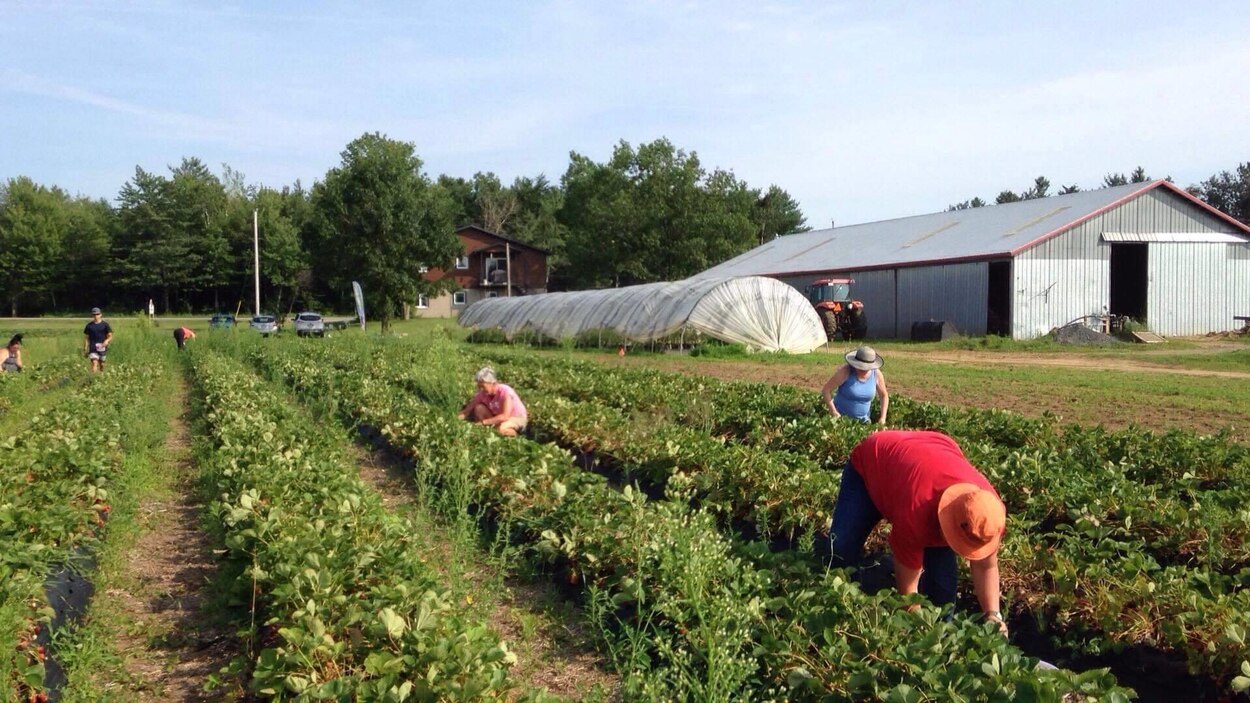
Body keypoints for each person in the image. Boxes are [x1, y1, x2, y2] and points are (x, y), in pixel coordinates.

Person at [828, 430, 1009, 635]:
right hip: (875, 459)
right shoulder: (916, 513)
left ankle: (944, 632)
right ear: (949, 520)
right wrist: (920, 632)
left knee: (943, 594)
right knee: (841, 546)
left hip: (932, 451)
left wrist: (993, 614)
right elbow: (909, 594)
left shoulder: (991, 513)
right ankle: (843, 608)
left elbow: (986, 566)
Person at [822, 345, 890, 424]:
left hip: (865, 421)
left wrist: (883, 417)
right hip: (841, 421)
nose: (862, 369)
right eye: (860, 366)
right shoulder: (845, 371)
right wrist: (833, 412)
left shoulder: (876, 374)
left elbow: (884, 396)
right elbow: (826, 390)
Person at [458, 367, 528, 437]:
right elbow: (467, 411)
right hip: (499, 418)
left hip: (516, 417)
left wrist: (483, 422)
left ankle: (516, 436)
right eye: (479, 386)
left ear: (493, 384)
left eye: (483, 386)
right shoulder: (482, 394)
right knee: (479, 408)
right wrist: (454, 419)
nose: (481, 389)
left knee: (501, 429)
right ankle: (490, 432)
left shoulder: (505, 392)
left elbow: (505, 416)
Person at [83, 307, 113, 372]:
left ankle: (101, 376)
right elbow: (86, 338)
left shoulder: (105, 325)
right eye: (94, 314)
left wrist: (106, 341)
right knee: (94, 363)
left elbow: (110, 336)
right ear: (92, 315)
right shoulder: (89, 326)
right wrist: (85, 348)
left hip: (102, 347)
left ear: (101, 315)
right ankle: (94, 379)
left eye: (97, 314)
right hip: (92, 347)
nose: (96, 316)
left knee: (102, 364)